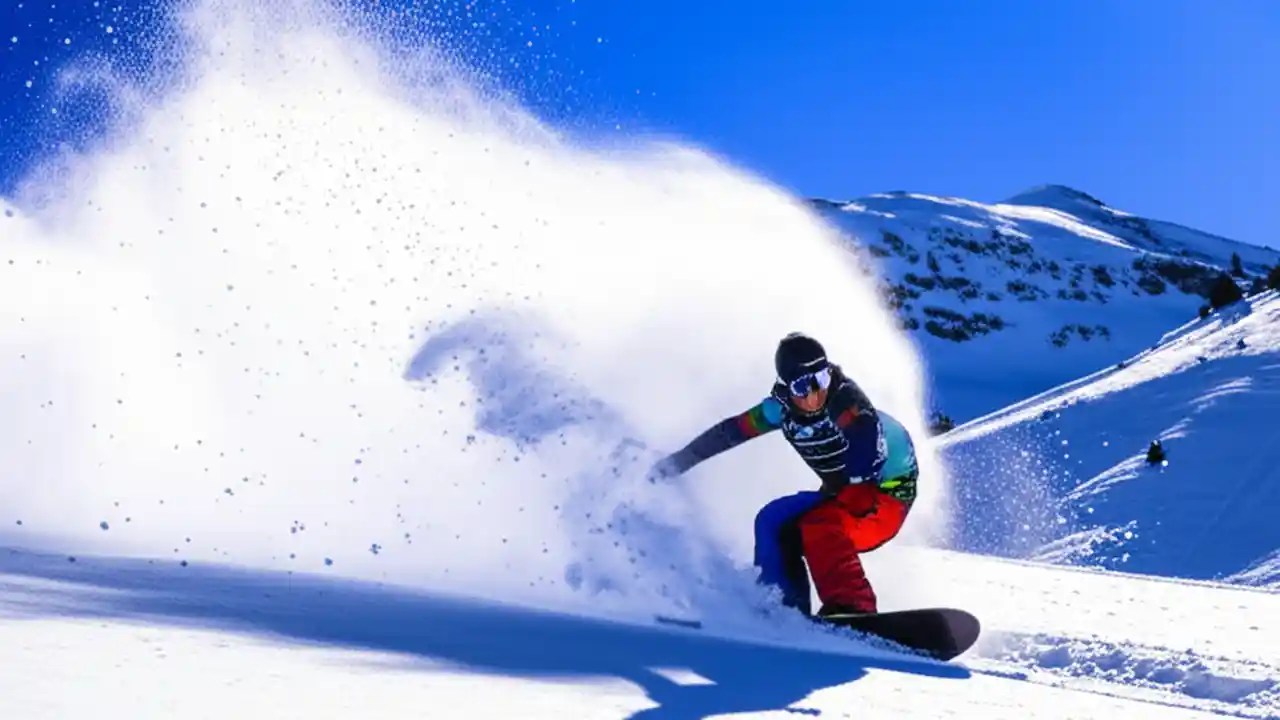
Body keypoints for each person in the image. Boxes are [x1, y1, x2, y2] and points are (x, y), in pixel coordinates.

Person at [648, 332, 919, 616]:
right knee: (773, 521)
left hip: (886, 492)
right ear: (787, 387)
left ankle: (854, 607)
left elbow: (863, 434)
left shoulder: (843, 399)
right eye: (804, 385)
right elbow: (730, 432)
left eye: (822, 378)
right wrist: (679, 462)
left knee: (820, 523)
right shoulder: (779, 411)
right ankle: (783, 606)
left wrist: (857, 486)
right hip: (841, 491)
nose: (816, 393)